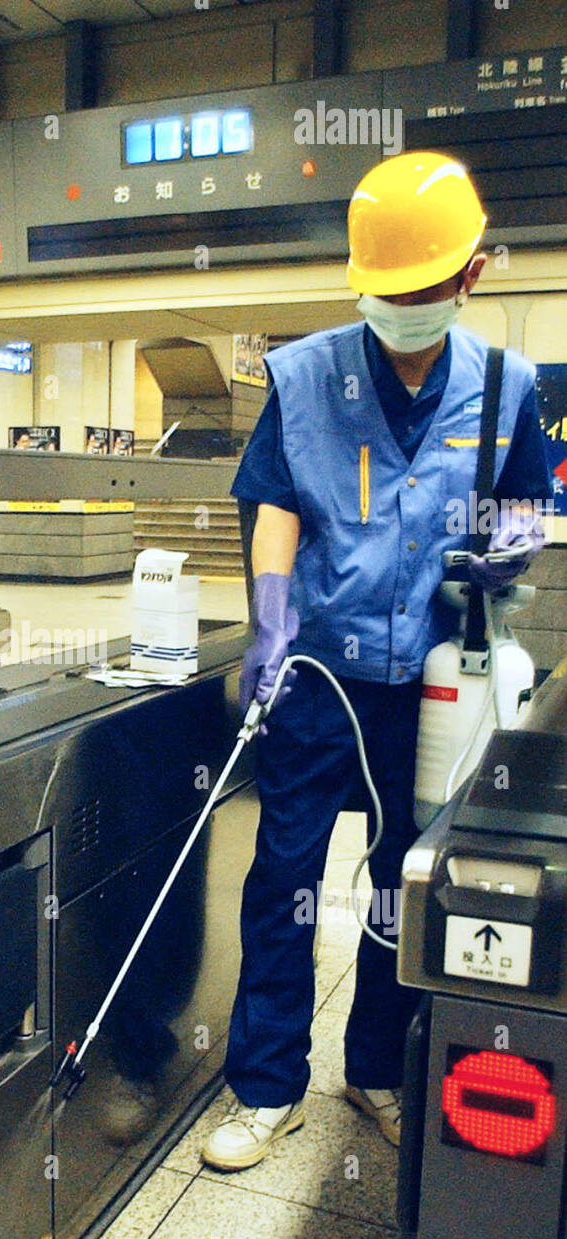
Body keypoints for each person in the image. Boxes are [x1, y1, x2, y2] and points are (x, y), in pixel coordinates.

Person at [202, 152, 552, 1171]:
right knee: (282, 879)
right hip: (316, 676)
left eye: (422, 290)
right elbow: (271, 501)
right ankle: (266, 1088)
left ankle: (374, 1069)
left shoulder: (503, 383)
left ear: (470, 276)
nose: (401, 308)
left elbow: (525, 500)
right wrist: (267, 618)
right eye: (383, 292)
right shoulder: (306, 372)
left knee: (404, 883)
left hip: (433, 684)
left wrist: (514, 541)